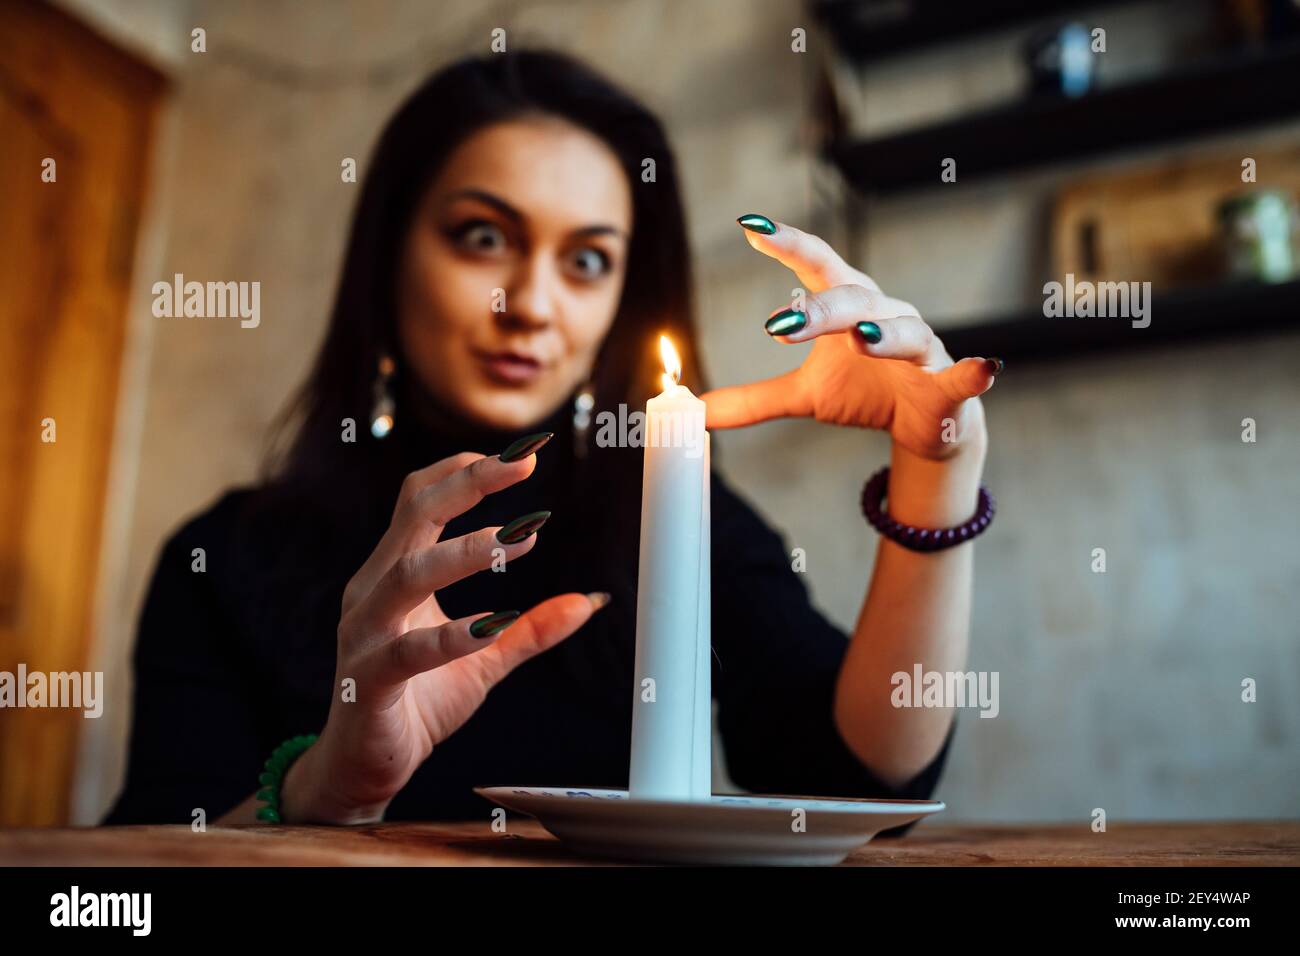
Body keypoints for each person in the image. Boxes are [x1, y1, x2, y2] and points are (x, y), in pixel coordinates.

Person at [103, 50, 998, 837]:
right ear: (389, 258)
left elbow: (861, 773)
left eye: (587, 260)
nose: (530, 302)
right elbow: (126, 888)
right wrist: (327, 789)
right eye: (484, 237)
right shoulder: (222, 559)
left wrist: (936, 468)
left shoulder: (672, 514)